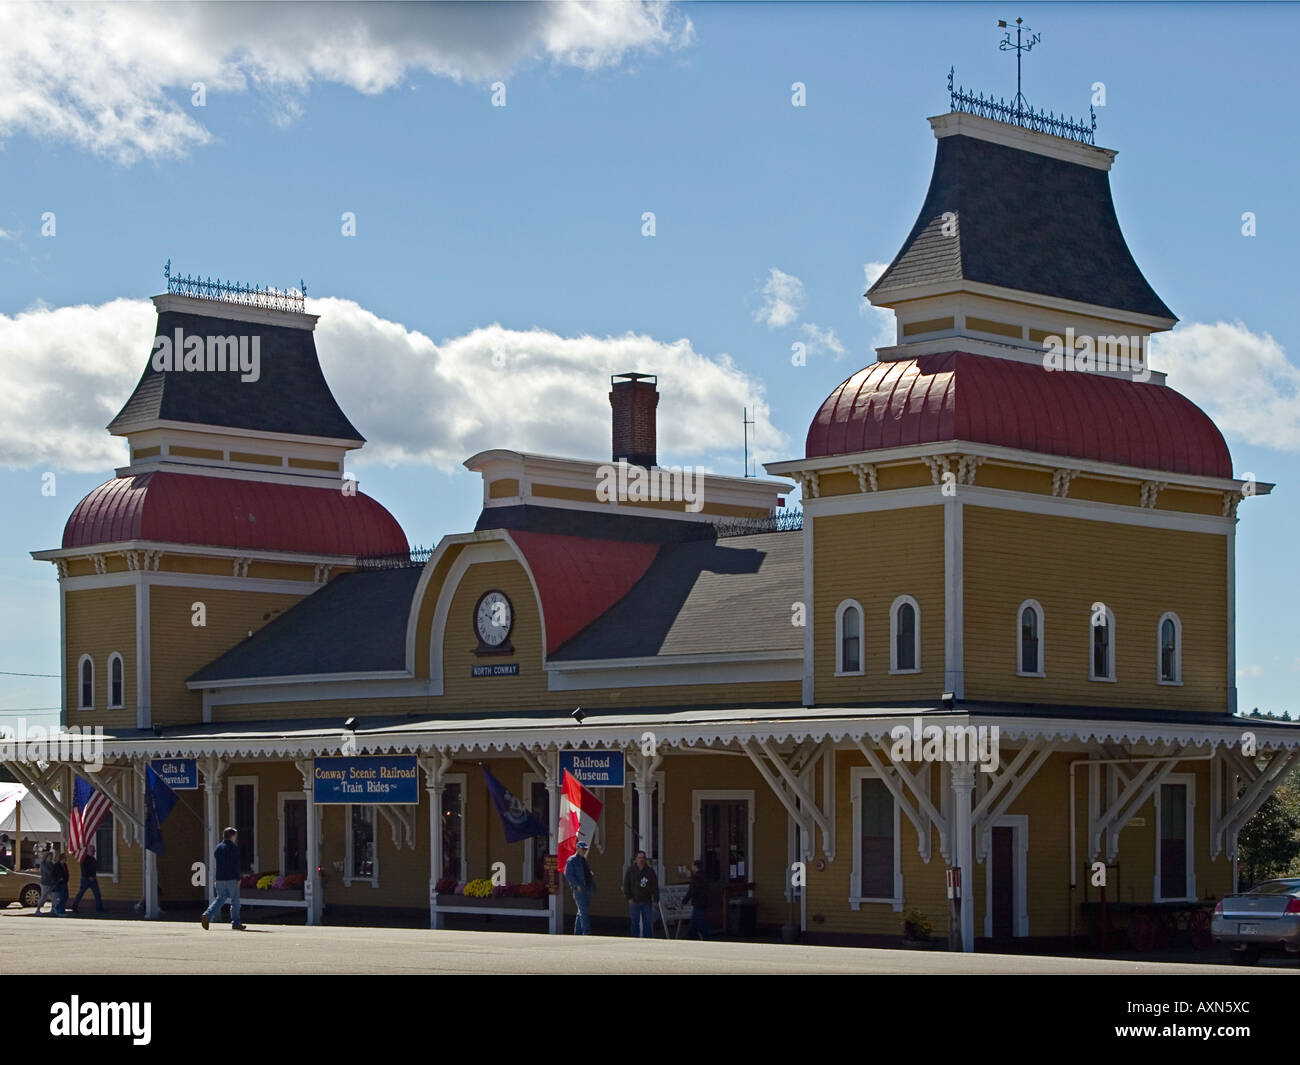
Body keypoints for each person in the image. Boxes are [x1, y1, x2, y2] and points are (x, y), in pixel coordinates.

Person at [201, 827, 245, 930]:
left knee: (220, 899)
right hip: (231, 878)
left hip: (219, 878)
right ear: (232, 836)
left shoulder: (218, 848)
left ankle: (207, 914)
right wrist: (239, 877)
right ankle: (236, 922)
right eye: (235, 836)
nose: (236, 838)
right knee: (235, 901)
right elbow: (235, 864)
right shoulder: (233, 848)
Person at [622, 849, 659, 937]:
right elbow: (626, 885)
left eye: (643, 858)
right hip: (634, 901)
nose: (641, 860)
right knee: (635, 922)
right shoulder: (631, 870)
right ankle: (635, 939)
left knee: (647, 922)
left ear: (645, 859)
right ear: (636, 859)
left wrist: (656, 899)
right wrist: (629, 898)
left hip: (647, 900)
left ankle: (648, 939)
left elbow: (655, 886)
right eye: (639, 858)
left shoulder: (650, 871)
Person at [563, 838, 595, 935]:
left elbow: (586, 872)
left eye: (585, 849)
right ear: (577, 849)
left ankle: (577, 933)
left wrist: (590, 874)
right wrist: (576, 885)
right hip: (579, 890)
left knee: (580, 912)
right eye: (582, 849)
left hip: (587, 888)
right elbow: (568, 875)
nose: (584, 851)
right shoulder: (571, 860)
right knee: (584, 912)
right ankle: (586, 932)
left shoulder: (583, 860)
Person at [71, 843, 107, 914]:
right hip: (86, 879)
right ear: (88, 851)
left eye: (94, 851)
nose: (94, 852)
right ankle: (74, 906)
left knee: (97, 893)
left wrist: (94, 876)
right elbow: (84, 870)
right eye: (92, 851)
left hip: (93, 879)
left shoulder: (93, 859)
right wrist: (88, 876)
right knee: (81, 893)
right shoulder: (84, 859)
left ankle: (99, 908)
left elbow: (95, 869)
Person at [683, 859, 709, 940]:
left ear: (695, 866)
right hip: (704, 900)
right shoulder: (704, 876)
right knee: (695, 919)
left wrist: (685, 900)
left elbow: (692, 890)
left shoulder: (696, 878)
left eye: (692, 865)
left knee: (700, 920)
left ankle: (704, 936)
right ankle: (691, 935)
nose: (691, 867)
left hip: (698, 901)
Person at [35, 847, 56, 915]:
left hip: (52, 882)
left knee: (53, 897)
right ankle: (38, 909)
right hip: (45, 882)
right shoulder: (43, 864)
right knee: (44, 897)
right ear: (46, 857)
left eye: (51, 857)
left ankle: (53, 909)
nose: (51, 858)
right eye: (50, 857)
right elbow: (49, 872)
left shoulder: (51, 864)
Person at [51, 848, 70, 916]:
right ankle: (61, 911)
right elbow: (53, 874)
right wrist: (58, 879)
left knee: (66, 896)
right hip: (59, 883)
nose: (65, 860)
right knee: (62, 896)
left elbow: (67, 873)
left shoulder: (65, 865)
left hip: (65, 882)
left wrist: (66, 879)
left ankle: (57, 907)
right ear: (61, 859)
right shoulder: (56, 865)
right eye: (64, 858)